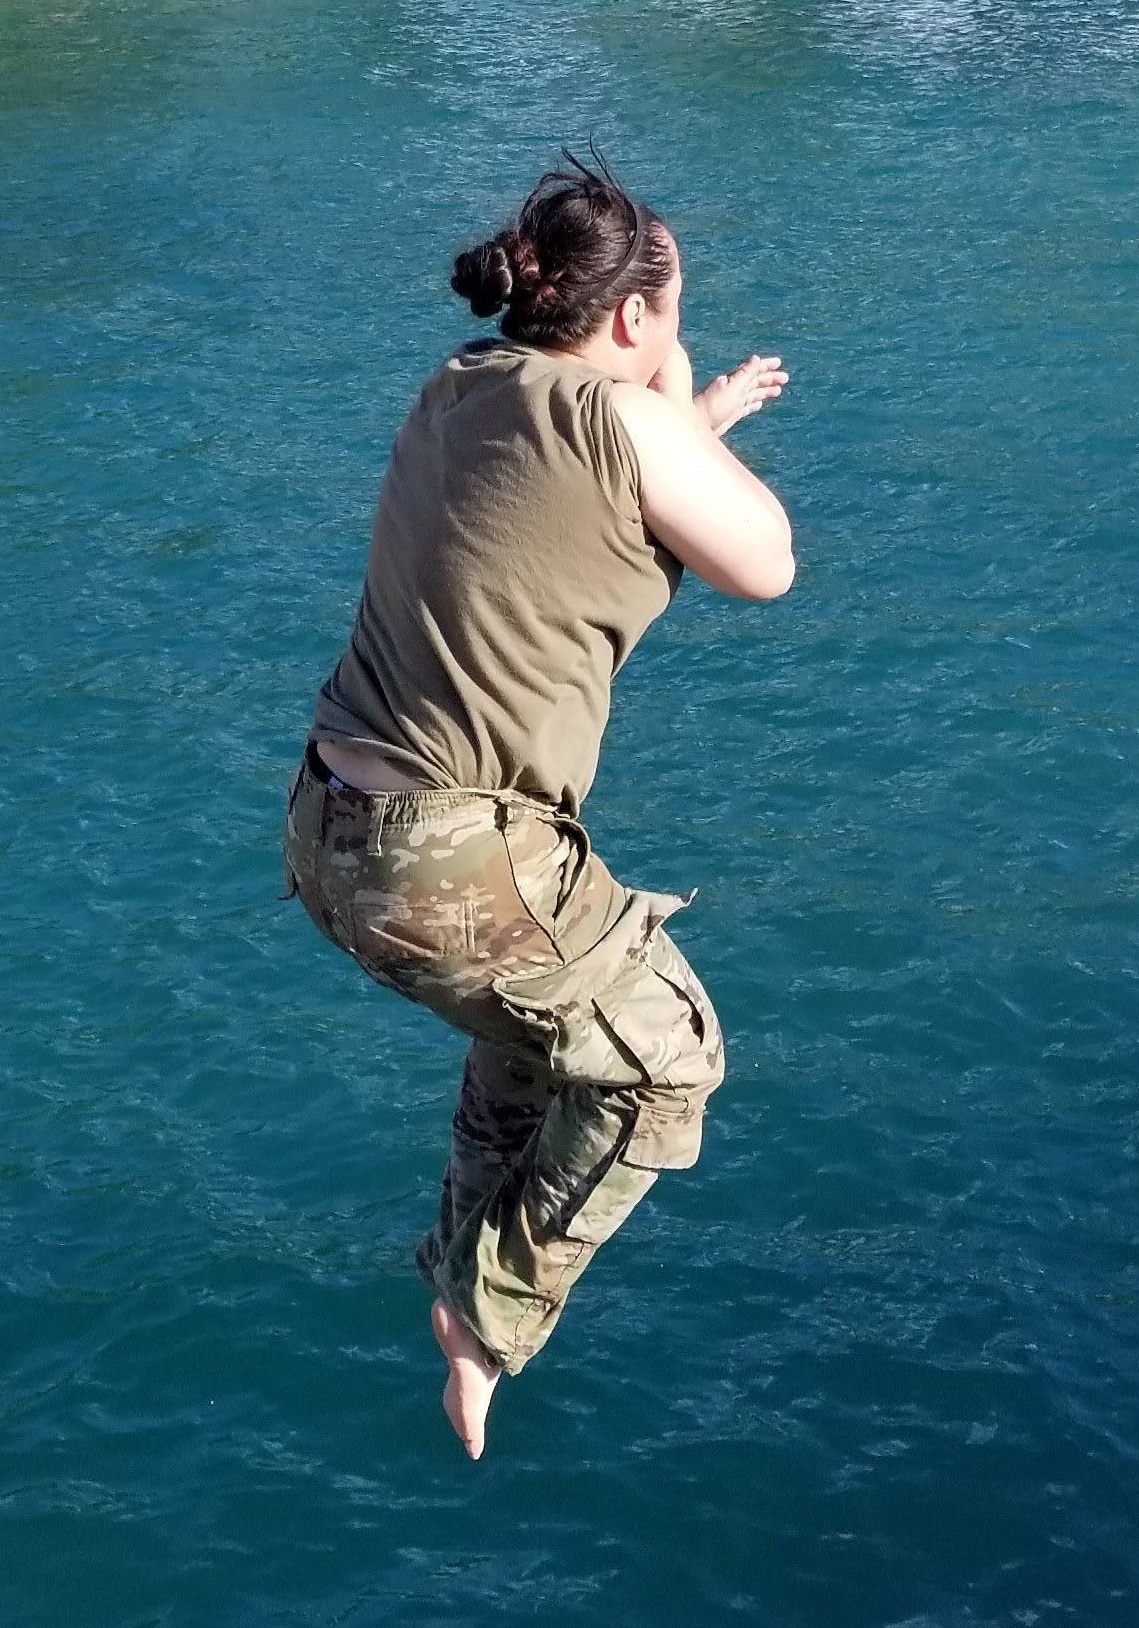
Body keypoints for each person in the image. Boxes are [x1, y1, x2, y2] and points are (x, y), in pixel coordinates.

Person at [285, 158, 795, 1457]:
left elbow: (565, 495)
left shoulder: (459, 386)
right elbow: (767, 564)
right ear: (631, 322)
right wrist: (682, 410)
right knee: (667, 1062)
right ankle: (488, 1315)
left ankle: (456, 1264)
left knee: (538, 1033)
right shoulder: (630, 421)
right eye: (672, 315)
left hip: (333, 828)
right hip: (449, 858)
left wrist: (695, 415)